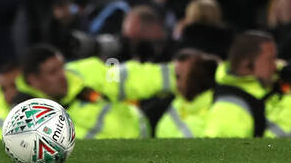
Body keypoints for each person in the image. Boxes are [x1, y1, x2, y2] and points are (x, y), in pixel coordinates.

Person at [11, 45, 173, 140]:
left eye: (61, 67)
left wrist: (175, 75)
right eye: (53, 72)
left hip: (144, 132)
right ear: (33, 80)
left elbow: (130, 78)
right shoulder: (29, 117)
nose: (62, 76)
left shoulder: (86, 71)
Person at [201, 32, 291, 138]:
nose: (275, 65)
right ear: (246, 65)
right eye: (269, 59)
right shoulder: (230, 110)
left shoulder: (270, 81)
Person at [155, 49, 220, 138]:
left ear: (197, 80)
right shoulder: (178, 103)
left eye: (178, 77)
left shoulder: (216, 111)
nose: (175, 83)